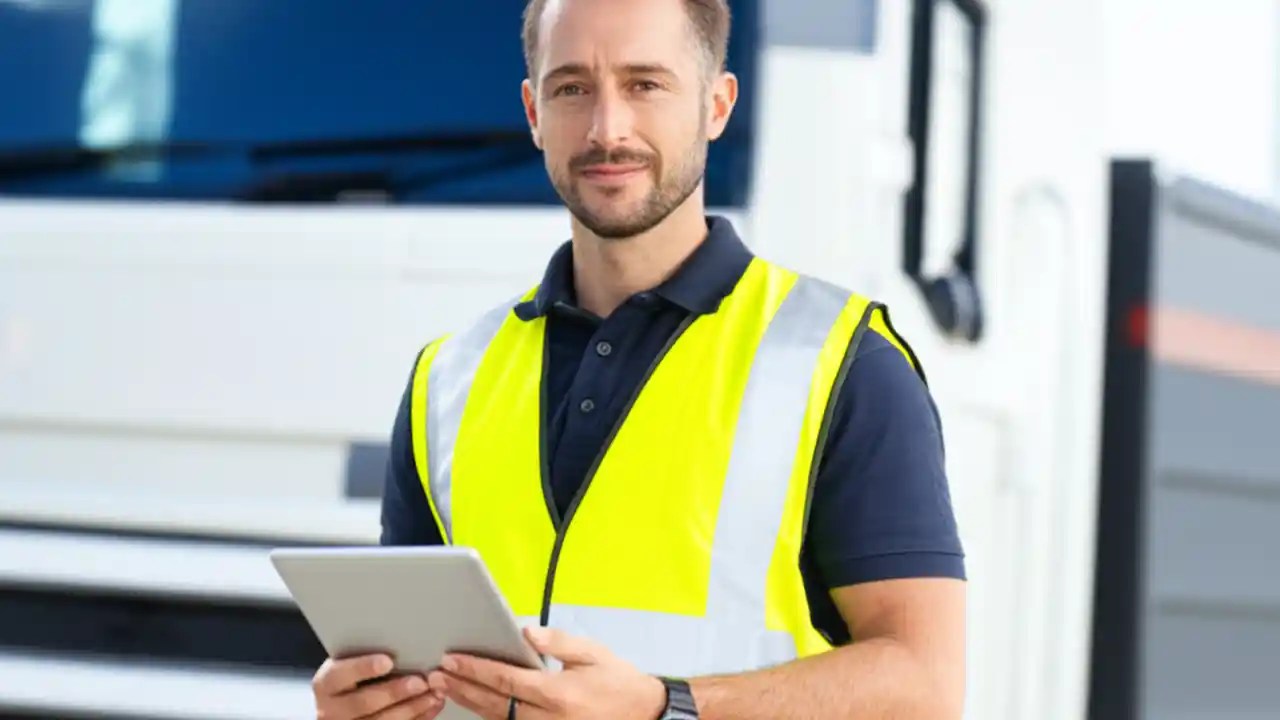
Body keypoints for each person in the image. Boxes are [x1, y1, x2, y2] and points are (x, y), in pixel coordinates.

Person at [311, 0, 967, 717]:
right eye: (572, 88)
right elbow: (426, 667)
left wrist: (666, 707)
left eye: (645, 84)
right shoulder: (449, 379)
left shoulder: (844, 364)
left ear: (716, 106)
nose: (606, 128)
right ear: (533, 112)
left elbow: (924, 687)